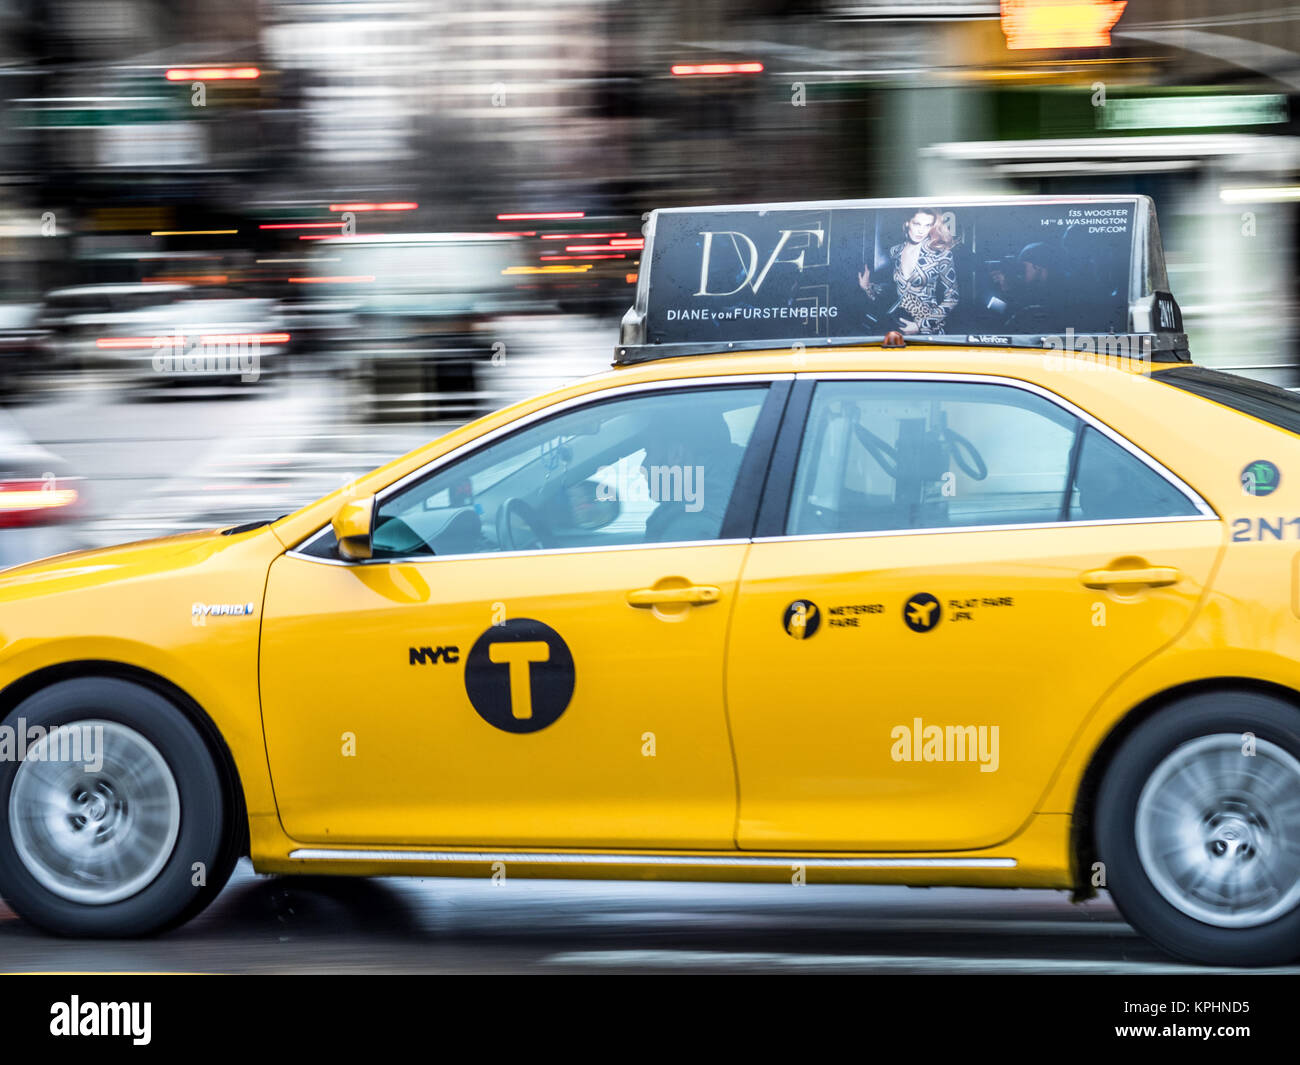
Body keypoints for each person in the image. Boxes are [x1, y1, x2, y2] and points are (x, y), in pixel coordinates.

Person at [858, 208, 959, 335]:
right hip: (898, 325)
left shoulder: (941, 254)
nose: (921, 230)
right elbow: (896, 293)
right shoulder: (896, 252)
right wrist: (867, 287)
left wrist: (920, 325)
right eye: (917, 224)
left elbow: (952, 297)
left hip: (929, 331)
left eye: (927, 225)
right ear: (907, 223)